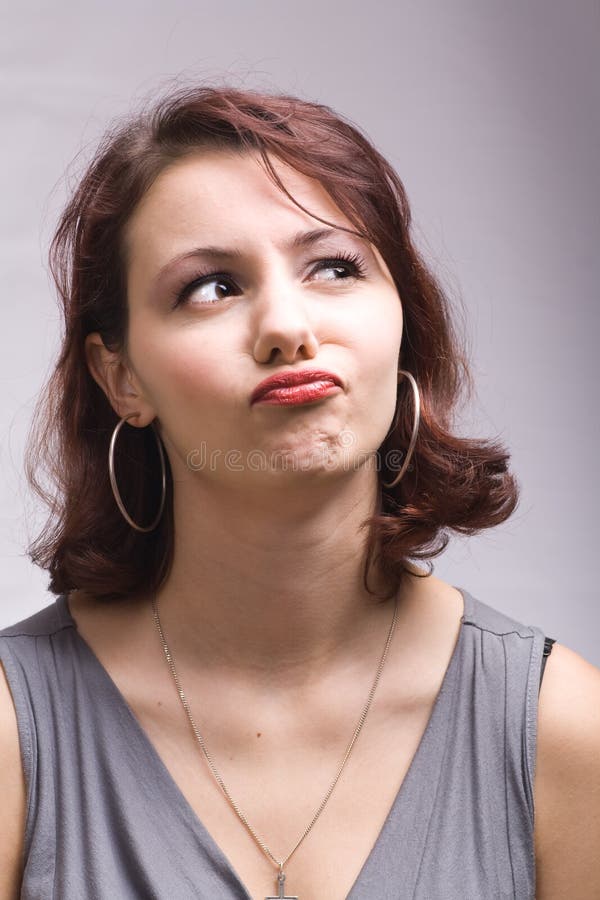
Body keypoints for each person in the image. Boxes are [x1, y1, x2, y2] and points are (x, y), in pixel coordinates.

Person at [0, 83, 598, 900]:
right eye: (212, 286)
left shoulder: (564, 730)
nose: (287, 326)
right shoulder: (13, 734)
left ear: (403, 324)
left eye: (334, 267)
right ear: (122, 378)